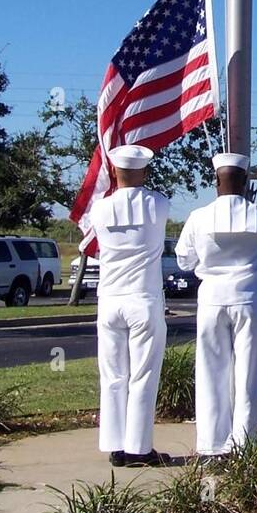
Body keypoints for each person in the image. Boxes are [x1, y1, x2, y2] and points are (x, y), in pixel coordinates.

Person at [176, 152, 257, 459]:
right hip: (248, 300)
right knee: (247, 374)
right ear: (245, 183)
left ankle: (212, 444)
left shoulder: (198, 217)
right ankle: (244, 444)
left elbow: (184, 260)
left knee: (211, 370)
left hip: (212, 300)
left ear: (216, 181)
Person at [89, 144, 170, 467]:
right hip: (143, 297)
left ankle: (116, 445)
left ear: (114, 171)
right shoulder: (158, 204)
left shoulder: (99, 209)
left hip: (110, 298)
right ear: (145, 172)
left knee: (112, 375)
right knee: (142, 375)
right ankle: (139, 446)